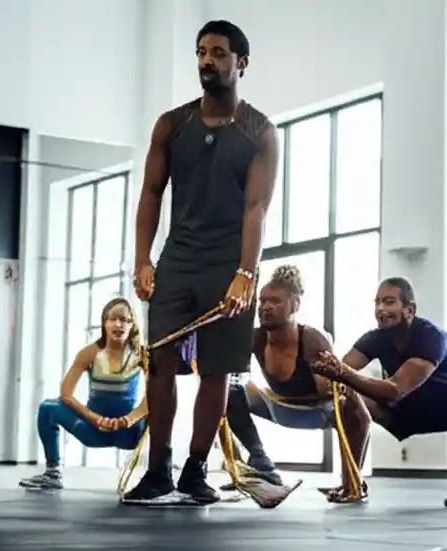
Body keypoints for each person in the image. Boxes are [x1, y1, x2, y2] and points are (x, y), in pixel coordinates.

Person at [125, 19, 280, 506]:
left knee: (216, 370)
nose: (207, 60)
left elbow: (256, 208)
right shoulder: (172, 125)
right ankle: (158, 471)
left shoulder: (260, 131)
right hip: (178, 260)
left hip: (229, 265)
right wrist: (143, 260)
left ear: (241, 62)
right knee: (160, 363)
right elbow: (151, 193)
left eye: (218, 52)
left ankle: (195, 472)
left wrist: (245, 273)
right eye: (201, 52)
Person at [311, 278, 447, 508]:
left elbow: (395, 390)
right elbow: (335, 374)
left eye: (389, 302)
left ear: (410, 310)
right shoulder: (374, 338)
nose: (380, 309)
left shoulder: (431, 336)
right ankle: (352, 484)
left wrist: (342, 373)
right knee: (345, 395)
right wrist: (319, 368)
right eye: (377, 302)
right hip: (409, 409)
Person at [238, 264, 371, 502]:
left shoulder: (312, 339)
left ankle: (352, 483)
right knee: (226, 391)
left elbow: (331, 393)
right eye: (262, 301)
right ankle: (261, 464)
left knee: (352, 403)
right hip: (278, 406)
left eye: (275, 301)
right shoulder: (255, 338)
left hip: (316, 412)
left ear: (295, 305)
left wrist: (333, 378)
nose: (265, 307)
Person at [21, 298, 148, 490]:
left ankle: (156, 477)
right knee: (47, 408)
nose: (118, 324)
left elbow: (155, 396)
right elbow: (66, 393)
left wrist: (129, 419)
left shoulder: (141, 354)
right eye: (112, 319)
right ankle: (52, 474)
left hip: (127, 432)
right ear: (104, 323)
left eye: (124, 319)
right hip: (92, 430)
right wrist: (94, 418)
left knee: (161, 410)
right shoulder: (89, 353)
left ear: (132, 324)